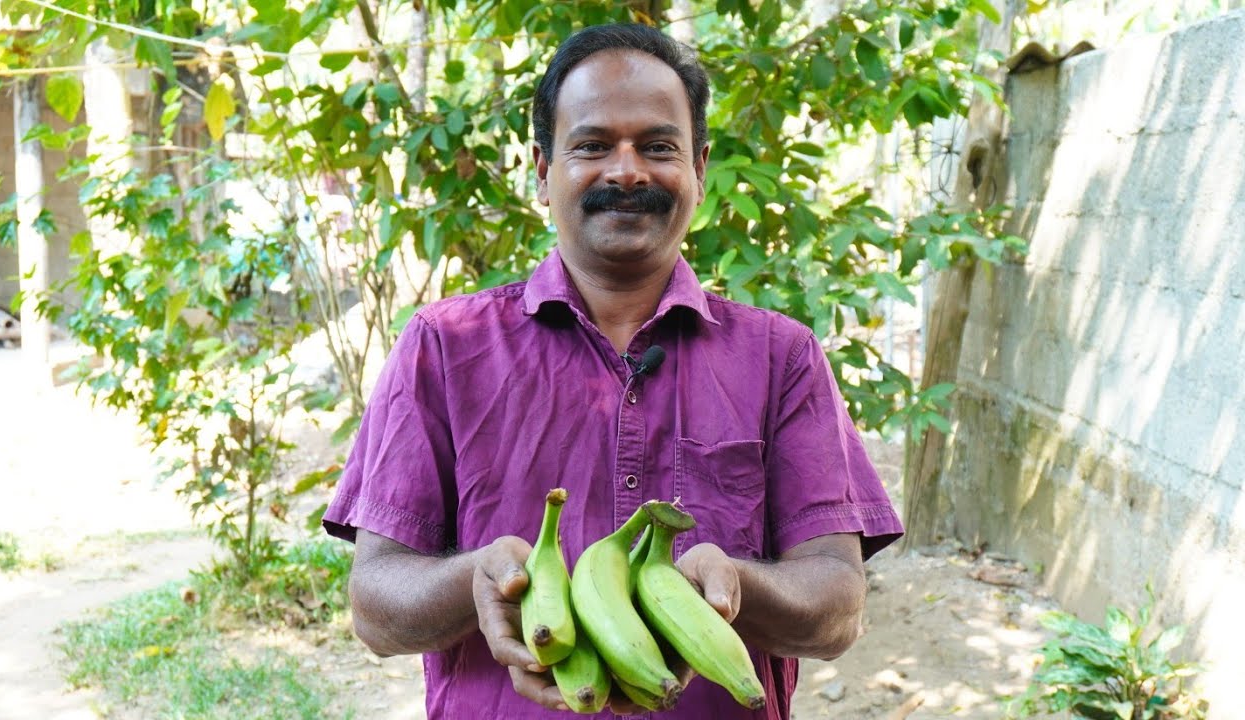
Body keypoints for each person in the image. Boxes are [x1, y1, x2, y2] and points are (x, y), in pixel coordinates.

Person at [322, 22, 903, 719]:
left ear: (699, 169)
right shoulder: (444, 349)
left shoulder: (781, 358)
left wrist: (739, 583)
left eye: (658, 147)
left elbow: (838, 610)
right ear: (542, 171)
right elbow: (375, 608)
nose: (627, 171)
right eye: (593, 145)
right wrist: (472, 581)